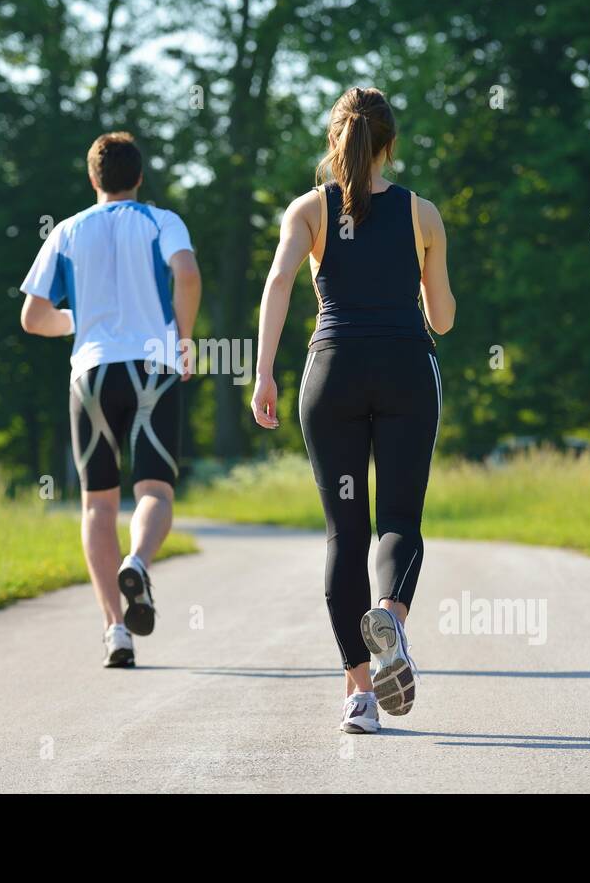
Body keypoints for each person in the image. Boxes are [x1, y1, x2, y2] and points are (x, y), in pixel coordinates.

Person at [251, 88, 455, 733]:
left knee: (346, 532)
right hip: (404, 372)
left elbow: (279, 282)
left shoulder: (308, 210)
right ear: (389, 143)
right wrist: (416, 283)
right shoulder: (422, 214)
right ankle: (391, 618)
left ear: (335, 136)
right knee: (399, 518)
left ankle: (359, 697)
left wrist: (263, 375)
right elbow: (443, 321)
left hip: (330, 375)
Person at [20, 132, 202, 668]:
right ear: (140, 177)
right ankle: (139, 561)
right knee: (155, 490)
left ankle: (114, 631)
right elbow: (186, 273)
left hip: (92, 369)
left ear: (93, 179)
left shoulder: (68, 230)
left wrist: (84, 321)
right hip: (154, 364)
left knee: (98, 503)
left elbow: (32, 317)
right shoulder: (160, 220)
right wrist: (184, 338)